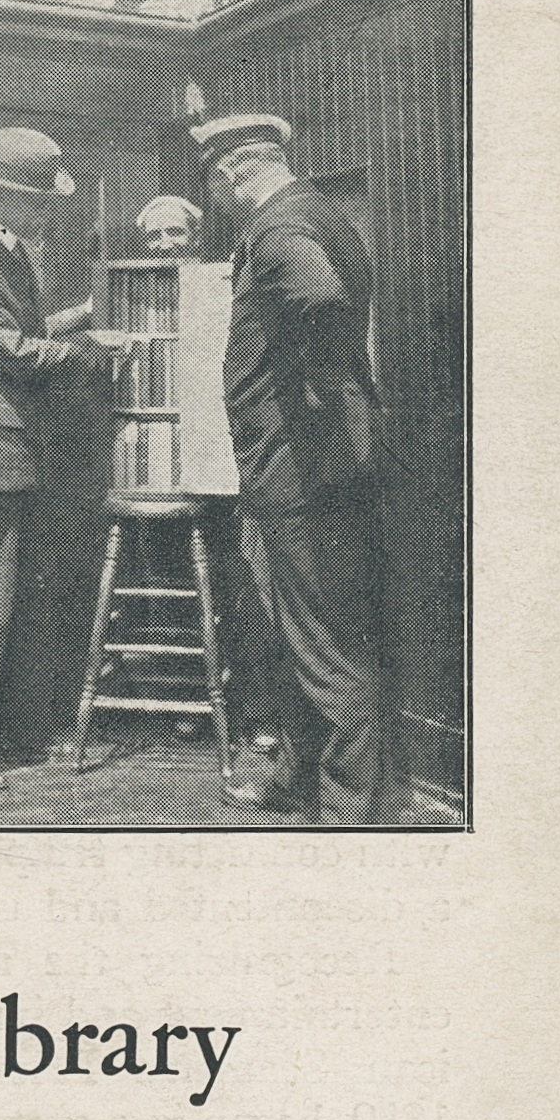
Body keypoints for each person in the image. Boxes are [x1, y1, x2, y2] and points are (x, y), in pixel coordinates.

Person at [191, 111, 409, 825]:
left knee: (327, 646)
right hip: (296, 473)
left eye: (215, 189)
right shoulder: (320, 212)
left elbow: (319, 301)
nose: (218, 205)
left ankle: (352, 815)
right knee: (297, 634)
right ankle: (299, 780)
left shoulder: (279, 230)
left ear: (230, 175)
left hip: (303, 475)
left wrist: (319, 400)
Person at [0, 126, 118, 785]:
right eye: (37, 201)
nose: (45, 213)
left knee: (4, 595)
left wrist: (82, 318)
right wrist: (88, 352)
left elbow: (27, 332)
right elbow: (12, 352)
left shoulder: (6, 250)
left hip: (13, 446)